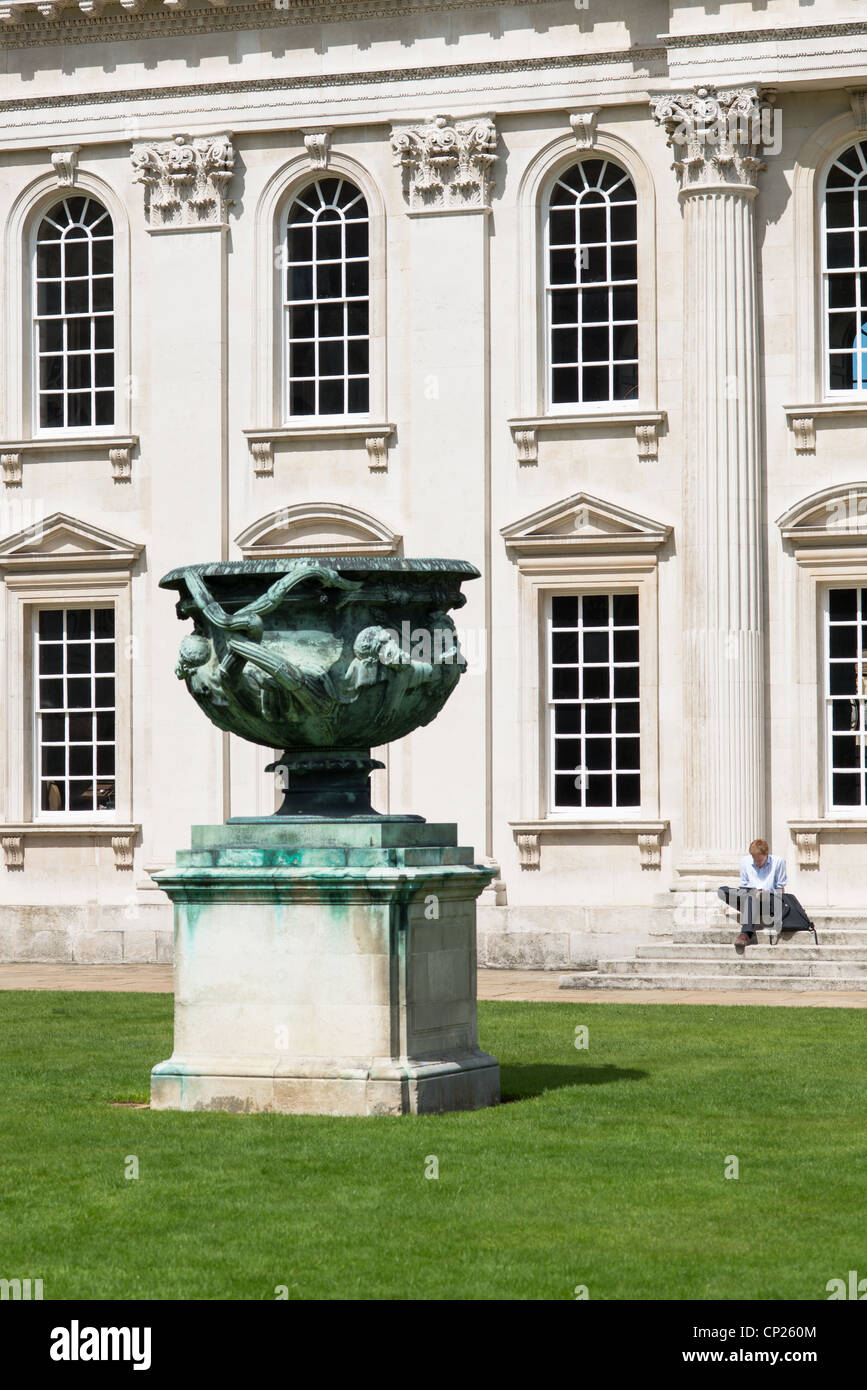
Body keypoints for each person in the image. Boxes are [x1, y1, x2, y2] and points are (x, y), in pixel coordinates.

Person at [724, 838, 787, 948]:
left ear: (766, 854)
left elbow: (780, 888)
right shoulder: (745, 862)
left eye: (759, 860)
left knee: (753, 896)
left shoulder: (778, 862)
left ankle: (745, 933)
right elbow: (743, 886)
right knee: (723, 890)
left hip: (768, 899)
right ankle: (751, 902)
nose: (757, 863)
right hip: (749, 896)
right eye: (754, 860)